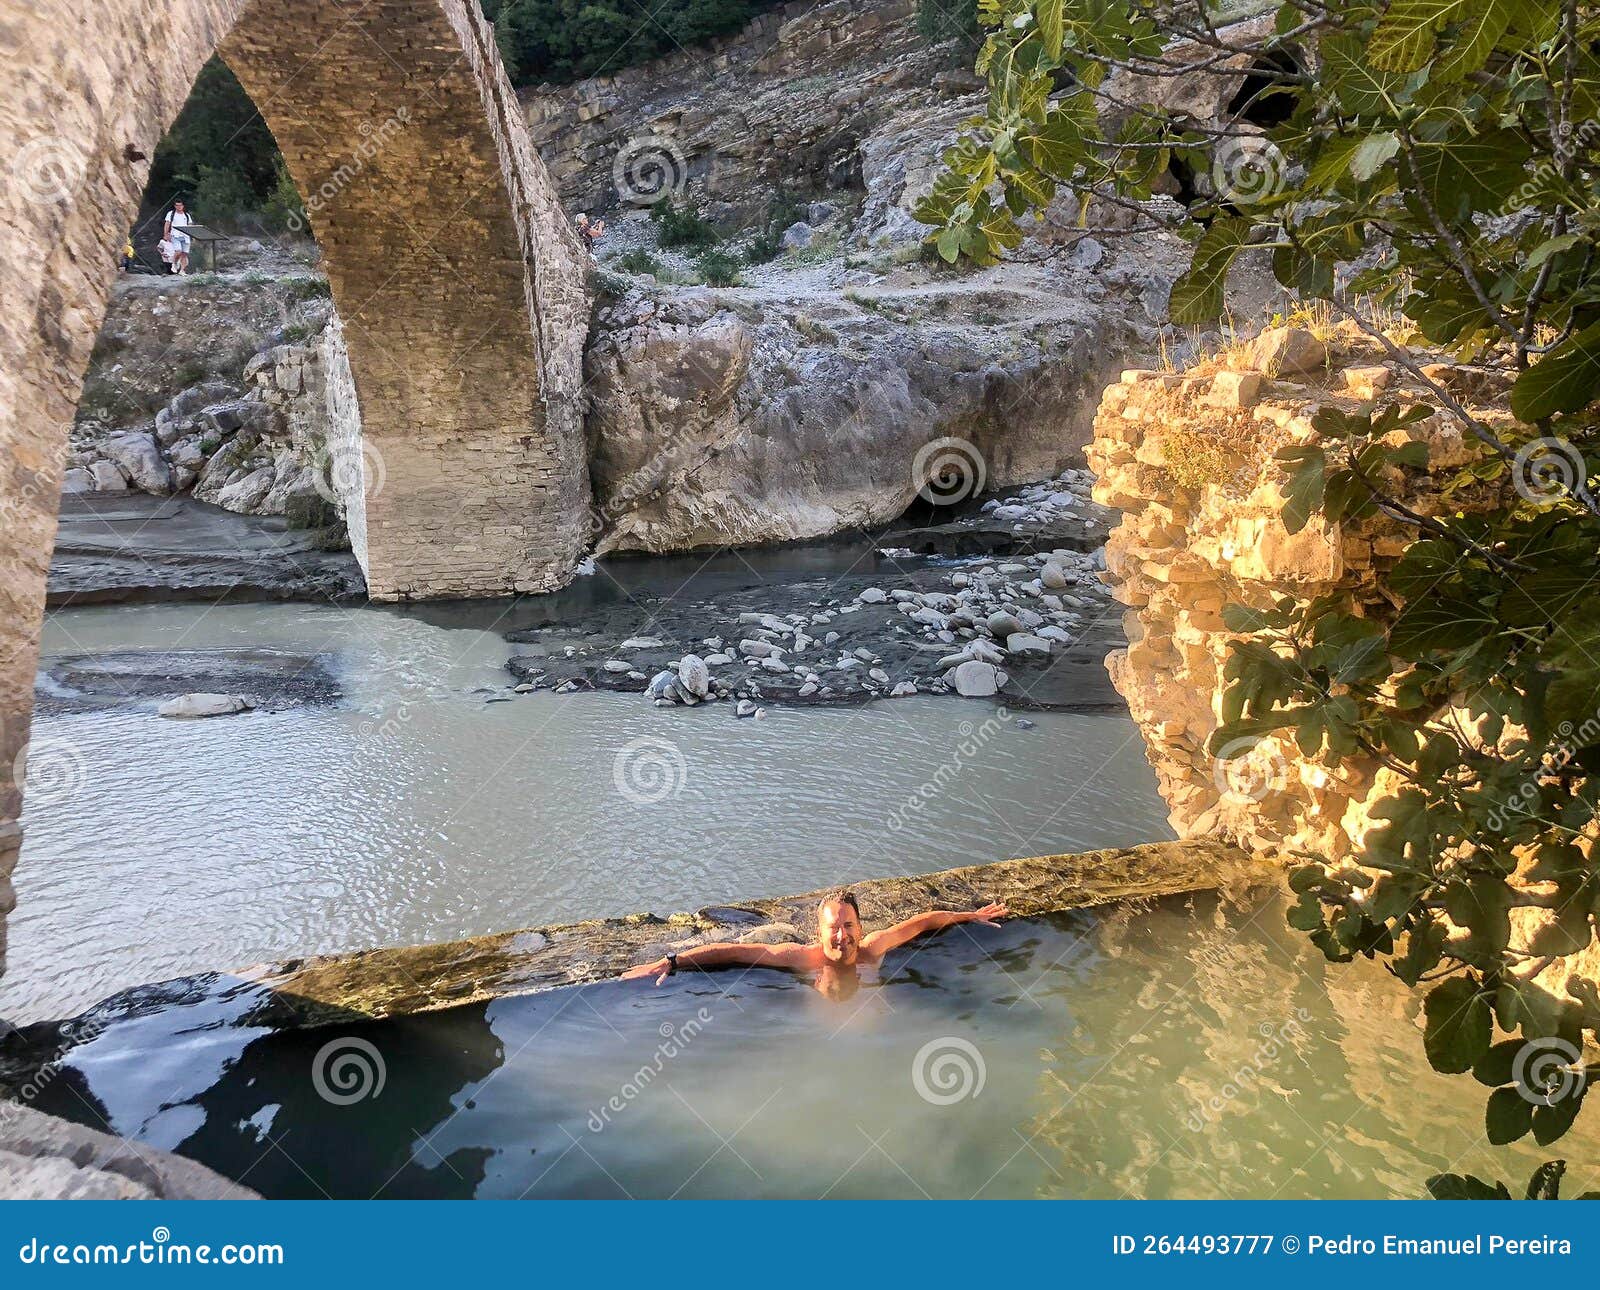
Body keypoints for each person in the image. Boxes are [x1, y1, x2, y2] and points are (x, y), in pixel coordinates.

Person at [621, 889, 1009, 998]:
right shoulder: (803, 958)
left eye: (848, 925)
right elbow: (739, 951)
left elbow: (921, 922)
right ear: (819, 934)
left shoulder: (873, 948)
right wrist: (671, 962)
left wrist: (971, 916)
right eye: (833, 928)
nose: (841, 935)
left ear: (860, 927)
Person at [164, 199, 192, 275]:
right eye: (177, 205)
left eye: (180, 205)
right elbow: (167, 224)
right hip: (175, 235)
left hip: (185, 236)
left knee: (184, 254)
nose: (179, 207)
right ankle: (174, 263)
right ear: (175, 206)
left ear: (183, 206)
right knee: (178, 251)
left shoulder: (186, 215)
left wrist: (192, 236)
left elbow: (190, 226)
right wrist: (166, 234)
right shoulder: (171, 214)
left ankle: (182, 270)